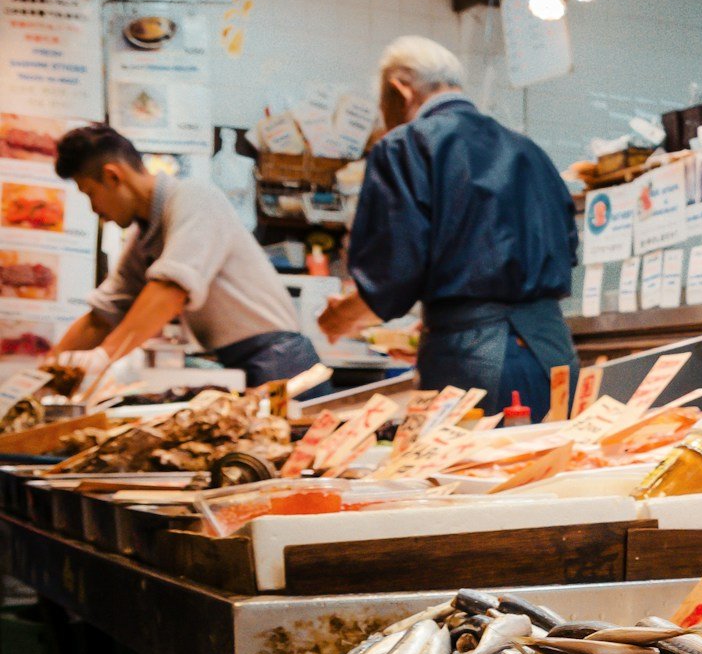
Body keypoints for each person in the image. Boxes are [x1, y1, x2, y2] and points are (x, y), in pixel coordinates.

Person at [320, 37, 578, 416]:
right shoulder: (529, 150)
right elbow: (566, 252)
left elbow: (392, 276)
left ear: (400, 88)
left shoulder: (405, 146)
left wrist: (339, 318)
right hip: (554, 353)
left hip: (475, 360)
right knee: (547, 469)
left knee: (469, 472)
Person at [48, 124, 327, 391]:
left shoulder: (194, 199)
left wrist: (102, 356)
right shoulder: (146, 234)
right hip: (233, 363)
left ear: (113, 176)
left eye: (90, 194)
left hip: (279, 361)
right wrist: (46, 371)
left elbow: (171, 290)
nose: (94, 209)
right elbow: (102, 316)